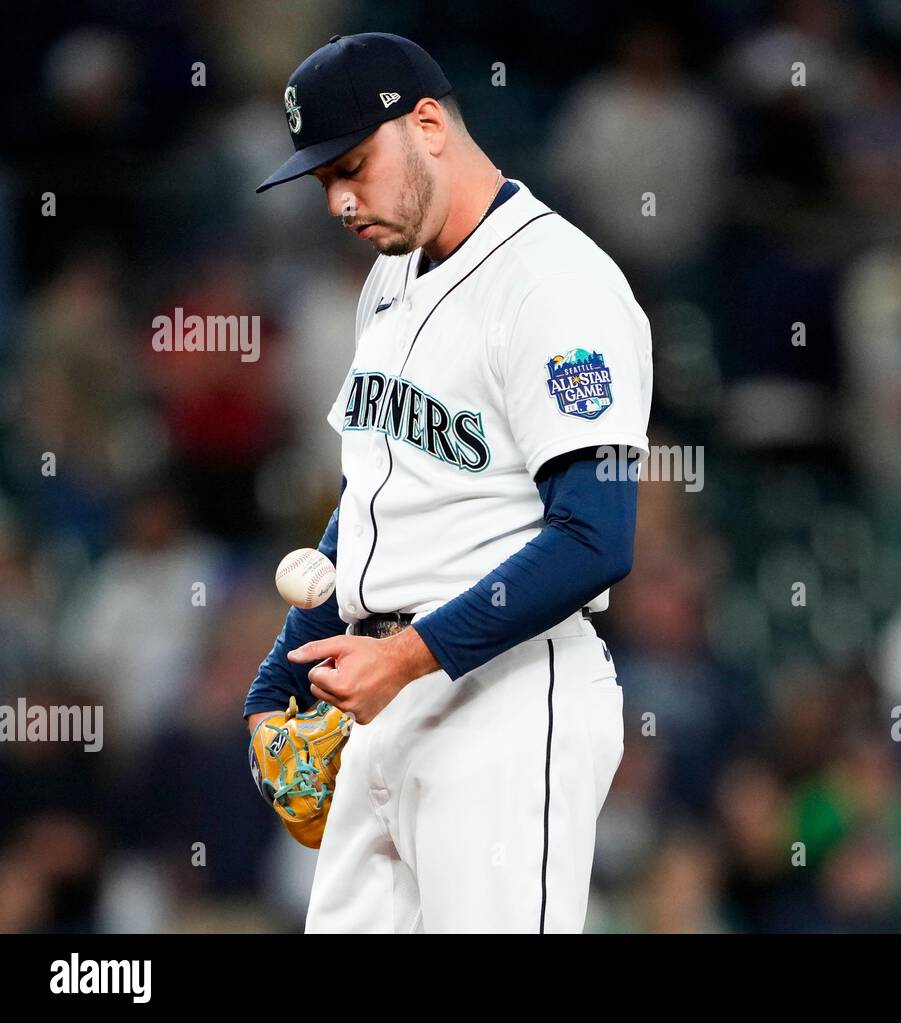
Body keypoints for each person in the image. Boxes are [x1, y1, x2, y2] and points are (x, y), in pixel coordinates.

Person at [244, 33, 653, 933]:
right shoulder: (388, 280)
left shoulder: (558, 283)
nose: (340, 200)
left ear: (427, 123)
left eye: (352, 165)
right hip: (388, 699)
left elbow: (598, 536)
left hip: (507, 696)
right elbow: (379, 502)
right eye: (322, 182)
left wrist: (407, 656)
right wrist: (276, 680)